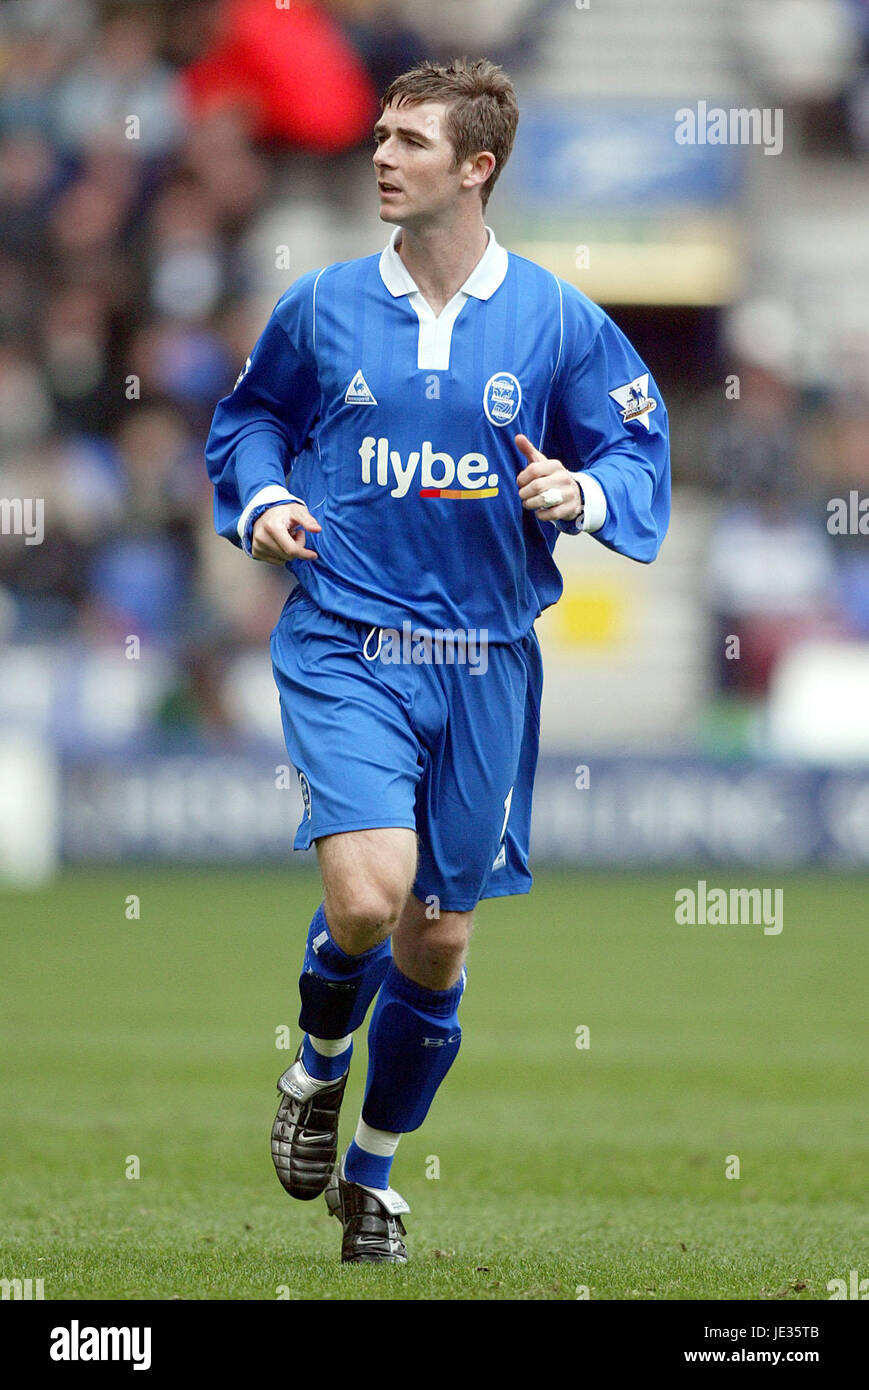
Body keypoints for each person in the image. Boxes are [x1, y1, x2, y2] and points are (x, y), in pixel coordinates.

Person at [205, 57, 670, 1264]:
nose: (380, 155)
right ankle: (313, 1068)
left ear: (477, 167)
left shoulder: (560, 320)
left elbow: (635, 447)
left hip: (483, 661)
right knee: (367, 895)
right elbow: (250, 416)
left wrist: (578, 487)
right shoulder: (317, 306)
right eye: (377, 134)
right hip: (345, 638)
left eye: (409, 140)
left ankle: (369, 1174)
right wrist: (259, 498)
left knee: (438, 938)